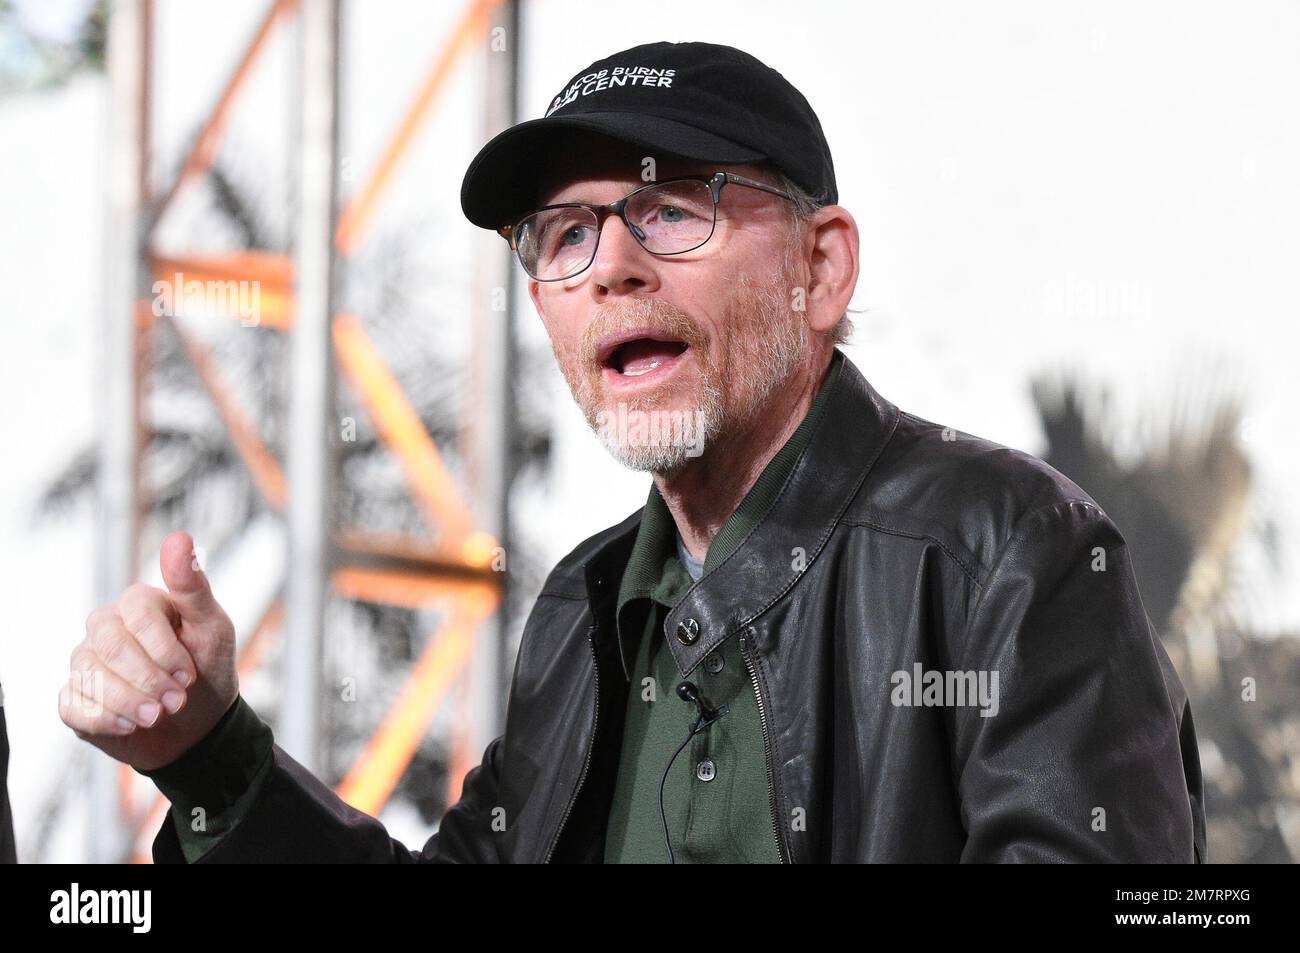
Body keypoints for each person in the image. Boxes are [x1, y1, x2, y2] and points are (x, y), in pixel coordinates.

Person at [60, 41, 1206, 863]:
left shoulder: (1006, 554)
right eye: (564, 232)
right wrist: (211, 757)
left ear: (820, 267)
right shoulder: (584, 609)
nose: (609, 264)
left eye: (668, 210)